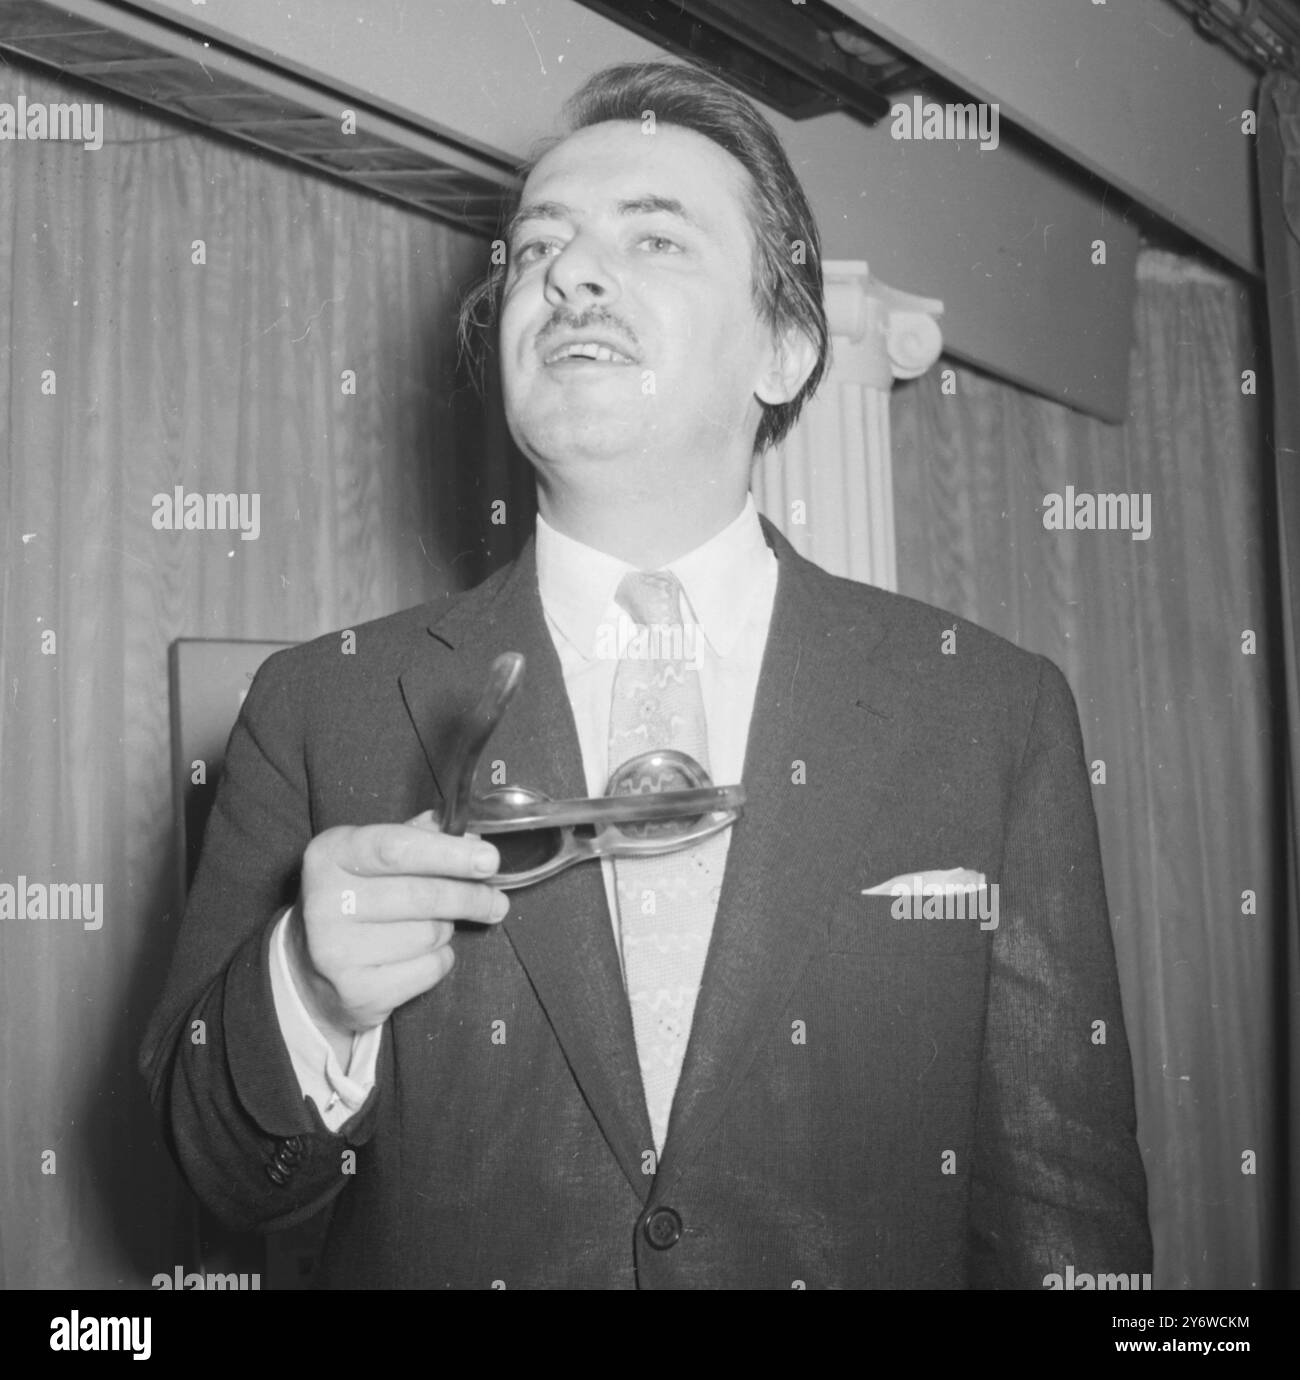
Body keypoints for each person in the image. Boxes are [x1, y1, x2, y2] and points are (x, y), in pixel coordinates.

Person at [141, 60, 1151, 1289]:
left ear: (783, 346)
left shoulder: (989, 711)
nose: (565, 273)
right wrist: (308, 989)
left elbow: (1064, 1212)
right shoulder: (320, 706)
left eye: (654, 236)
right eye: (534, 249)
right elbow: (212, 1170)